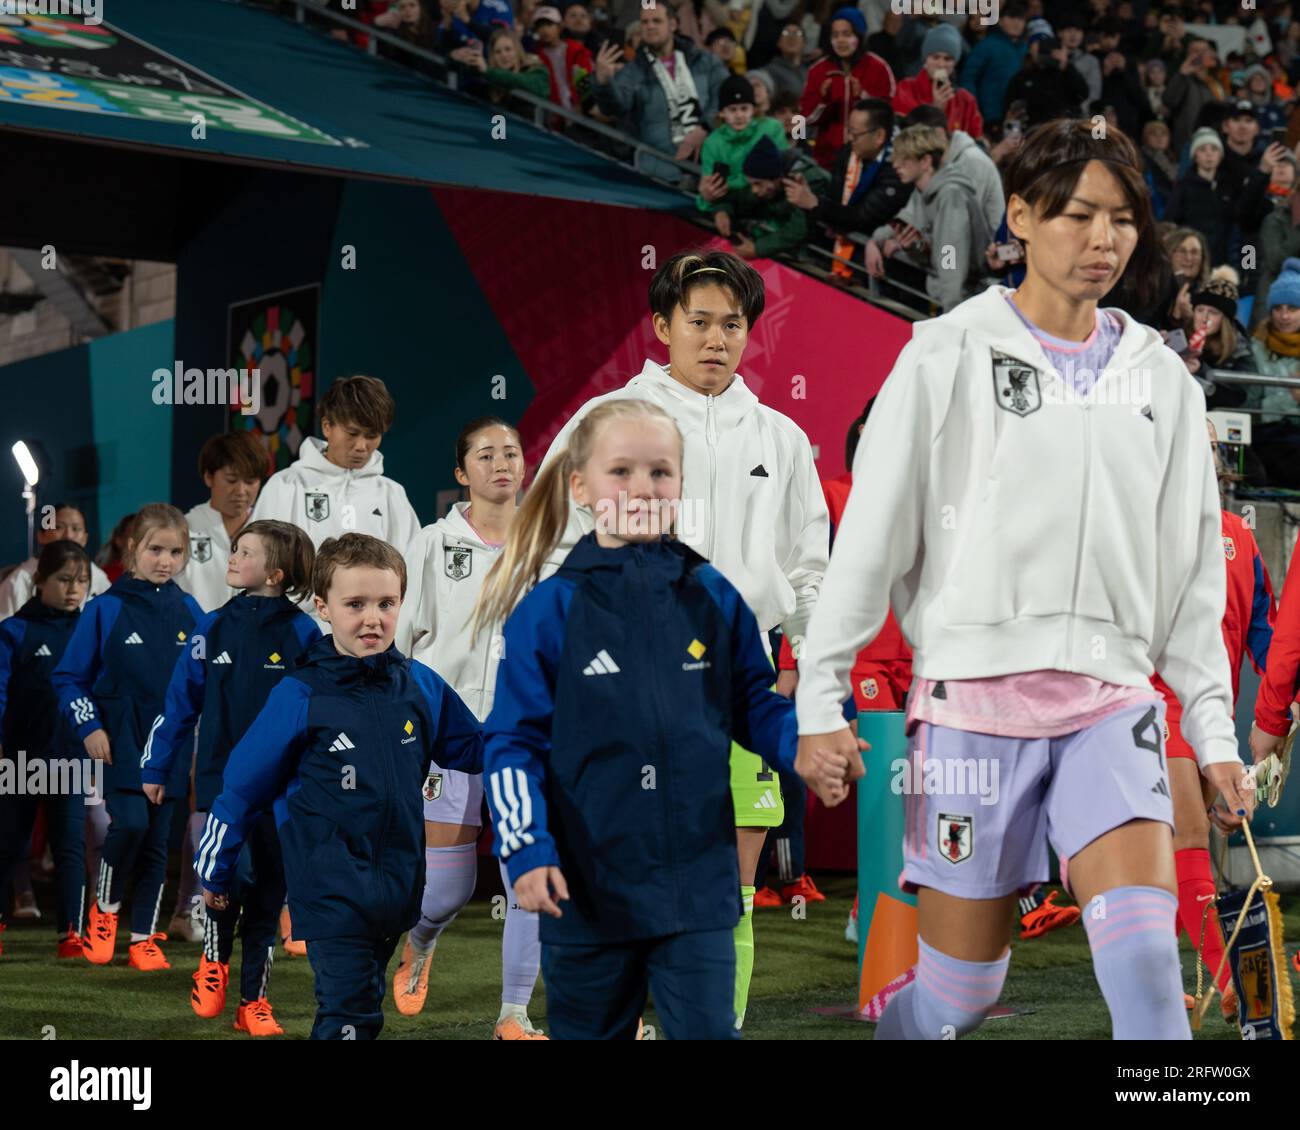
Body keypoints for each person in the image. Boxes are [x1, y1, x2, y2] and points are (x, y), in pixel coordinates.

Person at [797, 118, 1252, 1041]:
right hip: (971, 711)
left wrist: (1212, 730)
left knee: (1149, 976)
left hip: (1111, 707)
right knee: (956, 998)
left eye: (1123, 220)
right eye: (1078, 215)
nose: (1104, 240)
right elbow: (871, 540)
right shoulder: (944, 349)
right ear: (1019, 215)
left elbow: (1193, 575)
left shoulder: (1163, 380)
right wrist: (819, 697)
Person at [479, 398, 849, 1039]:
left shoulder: (712, 595)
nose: (642, 488)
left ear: (682, 483)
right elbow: (511, 745)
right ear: (580, 486)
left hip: (699, 890)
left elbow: (755, 704)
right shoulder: (549, 610)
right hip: (586, 891)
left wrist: (802, 743)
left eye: (660, 472)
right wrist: (525, 847)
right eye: (621, 471)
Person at [535, 248, 829, 1032]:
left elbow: (810, 567)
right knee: (613, 873)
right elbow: (554, 541)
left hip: (741, 685)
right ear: (662, 326)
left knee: (728, 887)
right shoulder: (607, 425)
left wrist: (802, 665)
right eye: (697, 321)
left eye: (732, 324)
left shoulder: (783, 437)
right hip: (616, 680)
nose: (716, 338)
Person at [195, 534, 485, 1040]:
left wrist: (546, 730)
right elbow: (239, 791)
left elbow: (477, 749)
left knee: (362, 1009)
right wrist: (214, 874)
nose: (373, 618)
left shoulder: (422, 685)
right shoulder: (300, 694)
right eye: (355, 605)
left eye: (386, 604)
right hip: (329, 891)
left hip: (398, 891)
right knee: (348, 1015)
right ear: (322, 608)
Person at [391, 418, 544, 1039]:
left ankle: (513, 1015)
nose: (501, 463)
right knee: (446, 892)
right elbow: (403, 643)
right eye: (485, 455)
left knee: (528, 880)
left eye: (511, 452)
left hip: (526, 734)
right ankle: (421, 943)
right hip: (448, 736)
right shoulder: (430, 544)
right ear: (461, 474)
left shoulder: (550, 546)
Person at [140, 521, 320, 1036]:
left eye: (245, 552)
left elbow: (319, 712)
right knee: (224, 883)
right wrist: (155, 767)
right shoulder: (210, 627)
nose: (233, 557)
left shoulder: (304, 633)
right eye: (235, 549)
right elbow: (178, 704)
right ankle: (213, 962)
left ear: (276, 573)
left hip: (284, 789)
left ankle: (253, 1003)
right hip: (221, 785)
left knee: (267, 891)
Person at [1150, 418, 1272, 1020]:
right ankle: (1229, 982)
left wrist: (1285, 708)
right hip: (1153, 704)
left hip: (1211, 712)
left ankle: (1164, 984)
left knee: (1180, 849)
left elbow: (1266, 636)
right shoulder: (1143, 527)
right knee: (1187, 838)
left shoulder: (1238, 538)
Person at [52, 504, 204, 972]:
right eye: (156, 549)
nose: (166, 560)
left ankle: (143, 938)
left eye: (176, 551)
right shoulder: (104, 608)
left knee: (160, 840)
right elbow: (69, 678)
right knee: (132, 824)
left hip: (171, 743)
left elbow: (202, 683)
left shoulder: (191, 609)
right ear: (132, 548)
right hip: (118, 738)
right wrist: (90, 728)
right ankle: (106, 909)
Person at [0, 541, 95, 959]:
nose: (74, 589)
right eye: (64, 580)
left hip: (70, 758)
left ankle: (71, 933)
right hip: (20, 758)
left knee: (70, 845)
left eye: (82, 581)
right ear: (39, 581)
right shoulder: (14, 631)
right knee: (8, 843)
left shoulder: (90, 630)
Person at [250, 375, 420, 562]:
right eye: (352, 433)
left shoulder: (392, 494)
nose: (361, 446)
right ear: (327, 426)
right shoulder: (285, 485)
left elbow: (412, 567)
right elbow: (256, 563)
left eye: (372, 435)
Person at [865, 123, 995, 314]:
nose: (895, 165)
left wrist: (950, 316)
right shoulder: (923, 190)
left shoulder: (951, 196)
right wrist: (874, 242)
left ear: (925, 161)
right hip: (946, 297)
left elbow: (950, 255)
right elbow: (903, 221)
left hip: (964, 302)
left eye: (904, 159)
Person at [590, 2, 727, 183]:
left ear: (673, 24)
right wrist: (604, 82)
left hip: (711, 168)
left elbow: (725, 96)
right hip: (659, 174)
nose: (650, 26)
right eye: (645, 22)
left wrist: (705, 127)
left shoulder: (704, 61)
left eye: (656, 21)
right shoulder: (633, 71)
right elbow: (613, 107)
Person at [783, 97, 908, 278]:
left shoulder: (898, 170)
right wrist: (811, 193)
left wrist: (814, 203)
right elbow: (835, 198)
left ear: (879, 136)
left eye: (856, 134)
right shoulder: (849, 152)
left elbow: (862, 217)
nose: (850, 138)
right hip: (837, 253)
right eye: (849, 131)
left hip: (877, 269)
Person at [178, 432, 268, 614]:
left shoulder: (270, 533)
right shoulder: (185, 529)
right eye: (231, 480)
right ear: (208, 477)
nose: (241, 491)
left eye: (250, 481)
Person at [799, 6, 896, 169]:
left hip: (868, 161)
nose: (840, 40)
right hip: (826, 161)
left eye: (847, 34)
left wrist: (863, 97)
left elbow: (888, 116)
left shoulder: (879, 68)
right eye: (835, 35)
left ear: (859, 35)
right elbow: (804, 119)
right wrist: (823, 100)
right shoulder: (818, 70)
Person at [0, 503, 110, 620]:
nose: (68, 535)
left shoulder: (98, 576)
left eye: (76, 528)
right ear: (41, 535)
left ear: (85, 538)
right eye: (58, 527)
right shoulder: (20, 579)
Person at [697, 73, 789, 213]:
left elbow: (779, 172)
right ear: (722, 113)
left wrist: (731, 183)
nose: (739, 115)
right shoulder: (712, 143)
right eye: (732, 110)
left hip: (770, 202)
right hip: (733, 206)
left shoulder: (772, 128)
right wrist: (706, 195)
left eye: (744, 108)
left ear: (753, 109)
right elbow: (710, 185)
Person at [711, 135, 811, 259]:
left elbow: (800, 226)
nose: (754, 190)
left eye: (758, 184)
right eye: (752, 184)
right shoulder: (765, 182)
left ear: (776, 178)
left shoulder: (807, 180)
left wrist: (758, 249)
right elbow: (738, 199)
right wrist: (722, 211)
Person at [1246, 260, 1300, 488]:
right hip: (1266, 433)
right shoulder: (1257, 345)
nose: (1284, 316)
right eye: (1278, 308)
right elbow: (1250, 399)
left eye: (1292, 309)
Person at [891, 22, 982, 141]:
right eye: (935, 57)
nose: (941, 64)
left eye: (948, 59)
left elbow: (975, 140)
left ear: (954, 64)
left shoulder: (966, 100)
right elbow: (902, 134)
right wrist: (934, 110)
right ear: (925, 60)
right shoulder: (906, 88)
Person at [1164, 127, 1233, 267]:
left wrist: (1243, 264)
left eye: (1214, 149)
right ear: (1195, 155)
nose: (1209, 154)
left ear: (1220, 155)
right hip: (1193, 261)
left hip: (1223, 261)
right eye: (1202, 149)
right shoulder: (1183, 187)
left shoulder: (1230, 186)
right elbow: (1170, 224)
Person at [958, 0, 1028, 125]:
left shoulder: (1026, 49)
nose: (1017, 23)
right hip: (991, 116)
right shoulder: (986, 46)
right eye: (1011, 17)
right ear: (1000, 20)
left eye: (1021, 19)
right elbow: (968, 78)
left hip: (1021, 117)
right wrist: (974, 108)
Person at [450, 28, 552, 106]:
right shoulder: (488, 70)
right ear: (492, 56)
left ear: (517, 50)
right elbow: (461, 69)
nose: (504, 55)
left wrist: (488, 71)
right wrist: (455, 57)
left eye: (508, 49)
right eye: (498, 52)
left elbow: (521, 81)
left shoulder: (536, 69)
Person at [1004, 35, 1089, 127]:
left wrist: (1067, 67)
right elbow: (1010, 104)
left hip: (1064, 129)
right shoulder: (1024, 76)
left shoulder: (1067, 74)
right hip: (1033, 130)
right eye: (1045, 54)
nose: (1048, 58)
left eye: (1052, 55)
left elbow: (1083, 94)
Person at [532, 5, 594, 113]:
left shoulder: (577, 51)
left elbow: (587, 82)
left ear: (560, 26)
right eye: (540, 26)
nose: (544, 30)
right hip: (553, 114)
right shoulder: (536, 57)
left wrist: (582, 104)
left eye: (549, 24)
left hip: (581, 112)